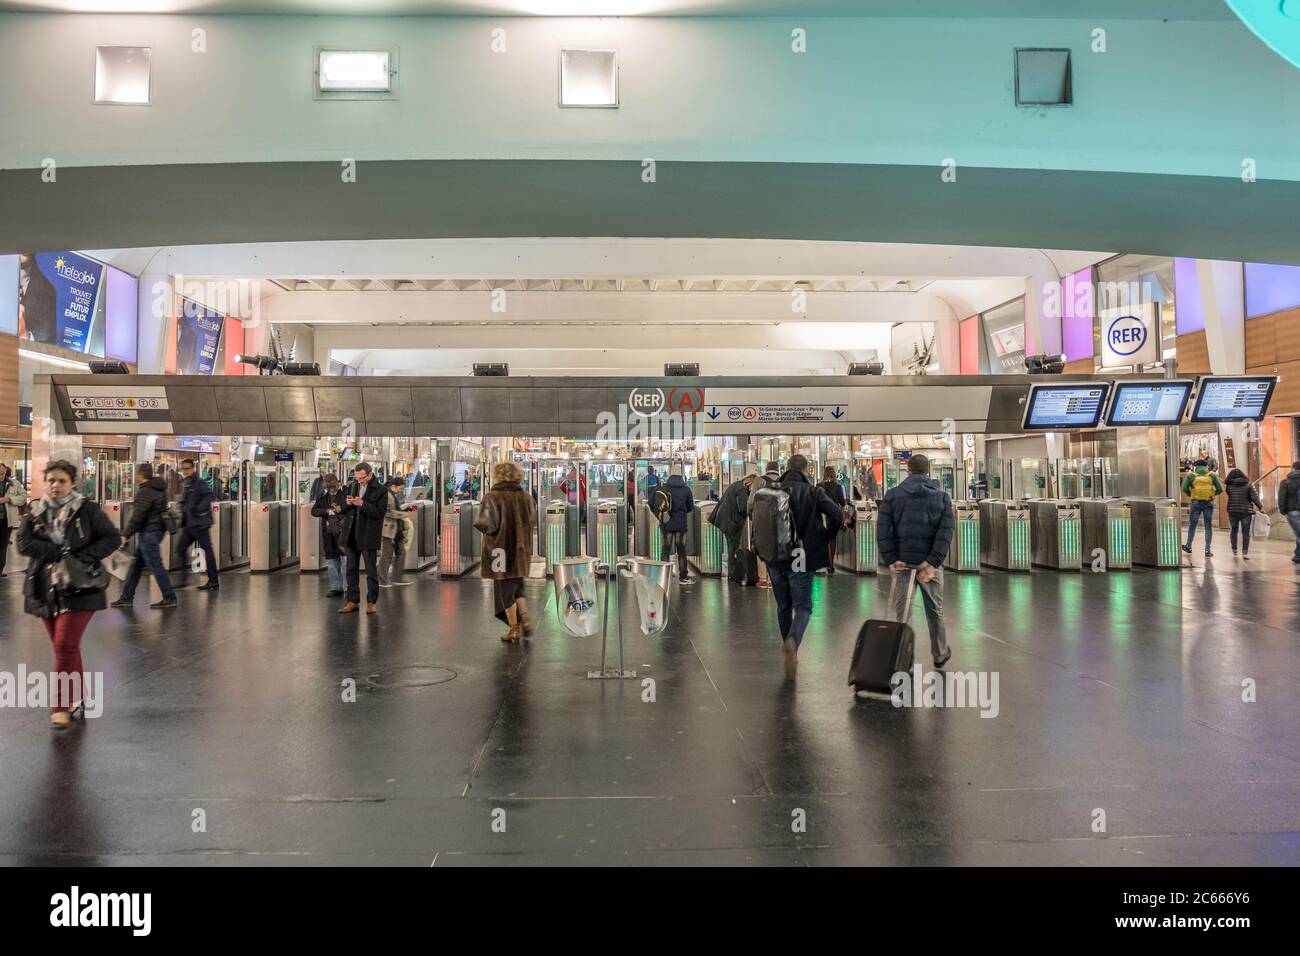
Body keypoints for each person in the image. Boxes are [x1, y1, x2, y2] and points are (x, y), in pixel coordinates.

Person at [18, 460, 120, 730]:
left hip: (81, 587)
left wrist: (81, 558)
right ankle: (78, 696)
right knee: (64, 647)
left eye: (62, 480)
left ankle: (61, 707)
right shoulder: (35, 510)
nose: (55, 485)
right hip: (45, 589)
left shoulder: (87, 510)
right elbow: (23, 542)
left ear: (73, 482)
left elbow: (111, 538)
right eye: (51, 480)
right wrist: (57, 553)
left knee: (64, 645)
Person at [751, 454, 841, 679]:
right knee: (803, 607)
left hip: (774, 556)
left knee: (783, 606)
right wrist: (824, 536)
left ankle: (789, 649)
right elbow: (837, 515)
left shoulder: (771, 490)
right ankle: (793, 642)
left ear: (786, 468)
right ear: (806, 470)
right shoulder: (813, 492)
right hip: (801, 555)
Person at [877, 453, 955, 669]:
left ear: (907, 470)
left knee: (903, 613)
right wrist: (933, 561)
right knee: (935, 611)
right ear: (928, 471)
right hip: (928, 567)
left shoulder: (893, 495)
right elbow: (946, 532)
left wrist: (891, 558)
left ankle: (904, 659)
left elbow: (883, 529)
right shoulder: (941, 497)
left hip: (903, 565)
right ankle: (939, 654)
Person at [474, 461, 537, 643]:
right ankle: (524, 618)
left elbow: (485, 523)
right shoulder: (525, 496)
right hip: (520, 549)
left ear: (498, 475)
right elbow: (532, 520)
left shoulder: (492, 497)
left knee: (504, 590)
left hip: (499, 549)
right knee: (518, 585)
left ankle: (514, 629)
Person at [111, 463, 178, 609]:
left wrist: (125, 535)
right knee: (136, 566)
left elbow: (138, 516)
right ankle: (126, 597)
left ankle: (169, 596)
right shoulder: (160, 489)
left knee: (156, 565)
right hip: (157, 531)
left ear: (141, 475)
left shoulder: (145, 491)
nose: (135, 476)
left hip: (149, 533)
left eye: (137, 473)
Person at [339, 462, 387, 614]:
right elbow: (344, 509)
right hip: (352, 533)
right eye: (357, 478)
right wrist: (347, 503)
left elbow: (379, 513)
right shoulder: (353, 486)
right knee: (351, 569)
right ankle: (352, 600)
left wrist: (362, 503)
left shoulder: (381, 490)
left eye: (362, 478)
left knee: (371, 571)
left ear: (370, 474)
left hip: (368, 534)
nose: (360, 481)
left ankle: (372, 601)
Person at [175, 458, 219, 591]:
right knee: (181, 549)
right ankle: (184, 579)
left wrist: (198, 509)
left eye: (187, 468)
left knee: (207, 550)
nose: (185, 471)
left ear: (193, 469)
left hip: (200, 523)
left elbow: (209, 496)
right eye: (183, 469)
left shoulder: (199, 482)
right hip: (189, 524)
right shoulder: (185, 483)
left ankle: (213, 580)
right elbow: (184, 500)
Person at [713, 471, 758, 585]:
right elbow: (743, 507)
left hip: (726, 519)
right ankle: (733, 574)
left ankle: (732, 573)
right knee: (733, 547)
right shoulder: (742, 489)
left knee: (731, 546)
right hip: (732, 522)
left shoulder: (736, 485)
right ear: (750, 482)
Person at [312, 474, 349, 596]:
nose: (332, 490)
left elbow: (352, 505)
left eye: (334, 487)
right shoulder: (322, 495)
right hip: (328, 531)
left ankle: (347, 586)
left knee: (345, 559)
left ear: (338, 484)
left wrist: (341, 508)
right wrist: (326, 511)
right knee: (331, 559)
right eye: (329, 488)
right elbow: (314, 511)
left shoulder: (345, 493)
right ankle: (335, 587)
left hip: (343, 530)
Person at [658, 469, 695, 585]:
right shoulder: (686, 490)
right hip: (680, 524)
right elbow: (690, 507)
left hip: (667, 523)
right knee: (681, 550)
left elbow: (655, 503)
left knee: (666, 549)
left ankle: (663, 575)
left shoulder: (664, 489)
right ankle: (683, 577)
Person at [1181, 461, 1223, 558]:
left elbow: (1184, 488)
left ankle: (1188, 546)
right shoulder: (1212, 475)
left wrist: (1191, 495)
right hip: (1209, 502)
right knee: (1208, 526)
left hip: (1195, 502)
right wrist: (1212, 495)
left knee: (1192, 525)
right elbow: (1220, 489)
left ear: (1195, 467)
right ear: (1206, 466)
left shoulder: (1191, 475)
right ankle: (1207, 550)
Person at [378, 475, 413, 588]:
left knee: (400, 552)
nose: (401, 491)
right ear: (393, 486)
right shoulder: (388, 496)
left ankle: (396, 578)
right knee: (387, 555)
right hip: (388, 530)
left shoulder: (391, 495)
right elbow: (389, 512)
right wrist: (405, 513)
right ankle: (382, 580)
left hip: (395, 530)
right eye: (401, 488)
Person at [1223, 468, 1263, 560]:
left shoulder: (1229, 486)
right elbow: (1254, 498)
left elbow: (1229, 494)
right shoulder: (1249, 485)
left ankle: (1234, 551)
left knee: (1234, 530)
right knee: (1245, 532)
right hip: (1246, 511)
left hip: (1232, 510)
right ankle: (1245, 553)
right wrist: (1261, 507)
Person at [755, 461, 781, 589]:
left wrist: (751, 514)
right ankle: (773, 579)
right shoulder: (784, 480)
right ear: (778, 469)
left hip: (762, 519)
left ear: (766, 469)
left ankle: (763, 579)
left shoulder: (759, 481)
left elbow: (751, 502)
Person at [817, 466, 848, 575]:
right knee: (832, 540)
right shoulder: (838, 487)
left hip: (821, 515)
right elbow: (843, 504)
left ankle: (821, 564)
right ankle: (831, 565)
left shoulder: (819, 486)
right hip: (833, 516)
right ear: (834, 474)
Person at [0, 462, 28, 578]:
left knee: (3, 546)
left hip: (6, 521)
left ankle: (0, 570)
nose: (0, 475)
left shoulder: (14, 483)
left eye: (2, 473)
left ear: (6, 471)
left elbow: (23, 497)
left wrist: (9, 499)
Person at [1279, 461, 1300, 565]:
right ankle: (1298, 555)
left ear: (1293, 469)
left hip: (1293, 511)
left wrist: (1283, 511)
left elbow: (1282, 498)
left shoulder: (1285, 482)